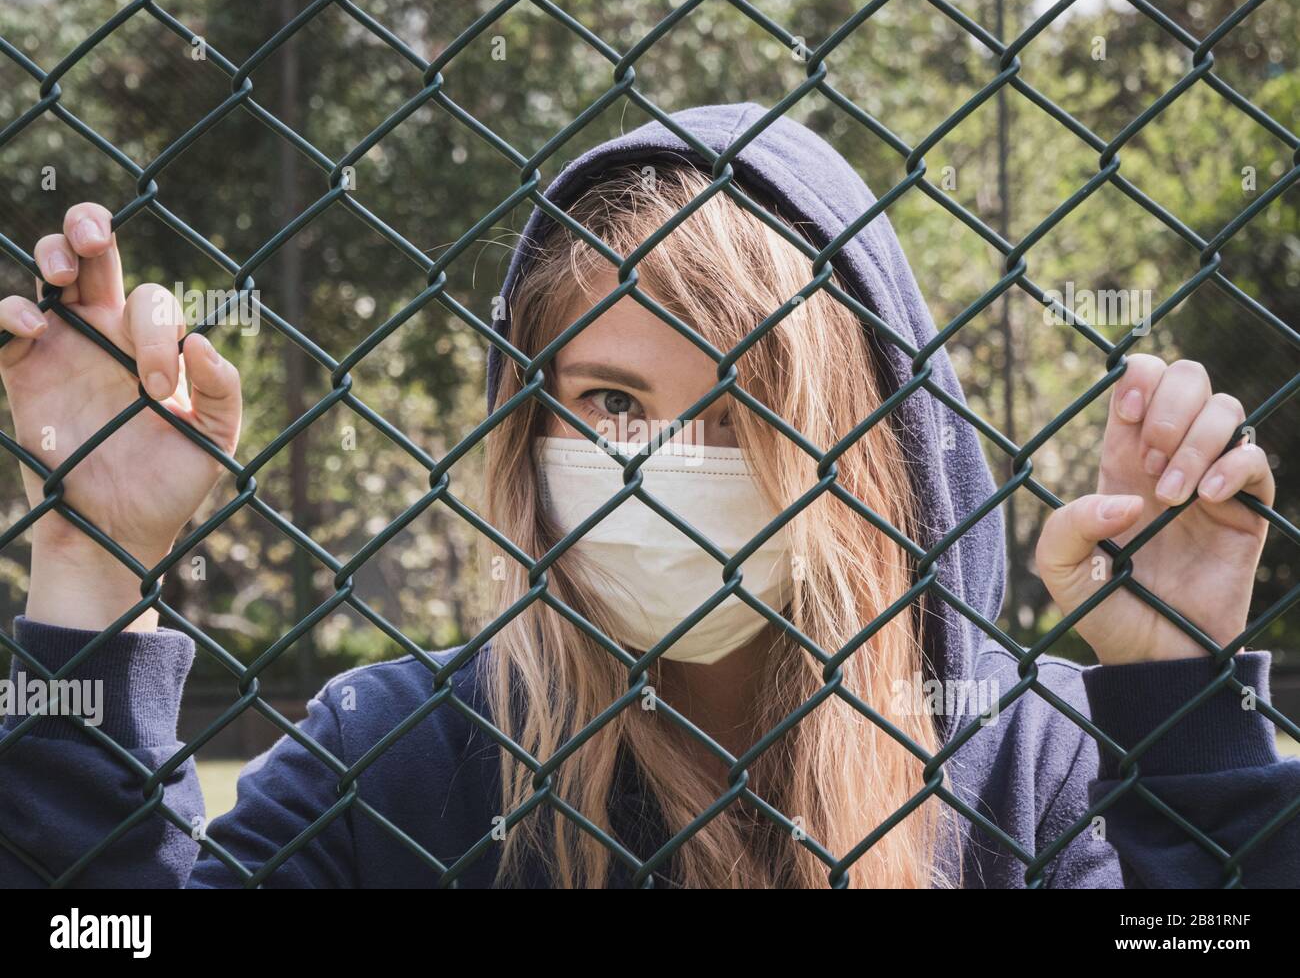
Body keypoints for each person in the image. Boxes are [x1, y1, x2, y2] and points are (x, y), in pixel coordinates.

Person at [1, 103, 1294, 888]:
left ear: (872, 455)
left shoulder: (1027, 760)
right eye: (612, 402)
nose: (659, 470)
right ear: (532, 424)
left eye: (737, 412)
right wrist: (91, 568)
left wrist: (1181, 704)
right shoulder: (395, 760)